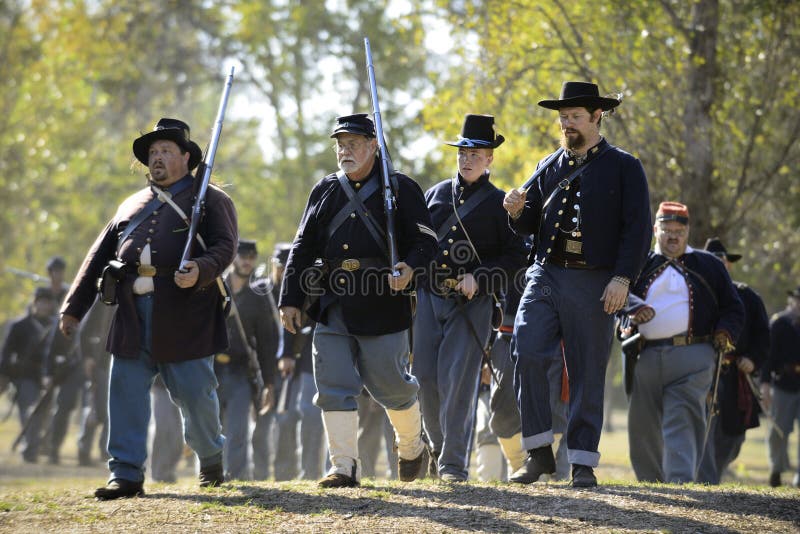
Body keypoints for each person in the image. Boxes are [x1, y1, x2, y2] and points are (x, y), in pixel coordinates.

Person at [59, 117, 237, 499]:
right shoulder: (131, 204)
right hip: (130, 313)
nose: (157, 158)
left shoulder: (211, 199)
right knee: (124, 393)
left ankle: (210, 458)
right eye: (153, 152)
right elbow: (97, 258)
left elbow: (225, 246)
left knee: (196, 396)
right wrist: (73, 308)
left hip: (186, 315)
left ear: (186, 157)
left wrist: (201, 269)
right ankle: (125, 473)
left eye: (166, 151)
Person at [503, 81, 652, 487]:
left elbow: (638, 229)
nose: (566, 124)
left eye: (574, 117)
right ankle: (538, 452)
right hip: (546, 273)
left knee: (587, 371)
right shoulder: (548, 164)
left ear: (596, 116)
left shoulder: (625, 167)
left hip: (596, 279)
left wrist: (622, 278)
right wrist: (516, 212)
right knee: (527, 347)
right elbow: (530, 225)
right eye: (563, 117)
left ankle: (583, 462)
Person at [279, 113, 437, 488]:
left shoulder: (400, 187)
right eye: (340, 145)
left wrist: (411, 268)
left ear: (373, 146)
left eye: (353, 144)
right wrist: (290, 298)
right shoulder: (325, 189)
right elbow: (302, 247)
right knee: (332, 382)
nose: (344, 151)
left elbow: (427, 242)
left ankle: (412, 446)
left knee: (392, 385)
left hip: (384, 301)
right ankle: (344, 467)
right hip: (333, 301)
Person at [413, 114, 527, 482]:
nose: (467, 159)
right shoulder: (434, 195)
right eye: (463, 152)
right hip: (429, 296)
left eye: (476, 153)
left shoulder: (498, 204)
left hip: (472, 305)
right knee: (424, 378)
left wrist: (479, 277)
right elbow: (417, 244)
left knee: (458, 383)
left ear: (489, 158)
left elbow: (516, 257)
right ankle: (437, 448)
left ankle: (453, 464)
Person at [623, 202, 744, 483]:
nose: (673, 237)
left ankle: (680, 482)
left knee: (683, 417)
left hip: (694, 356)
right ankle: (652, 484)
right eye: (667, 230)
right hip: (645, 355)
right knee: (642, 424)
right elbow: (617, 296)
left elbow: (733, 307)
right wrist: (632, 312)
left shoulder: (709, 265)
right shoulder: (638, 263)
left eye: (679, 231)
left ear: (688, 232)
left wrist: (724, 332)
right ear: (656, 229)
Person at [697, 238, 770, 484]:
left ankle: (713, 477)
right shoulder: (696, 293)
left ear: (728, 264)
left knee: (734, 437)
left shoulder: (748, 296)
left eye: (722, 260)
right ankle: (706, 482)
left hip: (735, 377)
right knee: (703, 427)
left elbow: (763, 336)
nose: (719, 264)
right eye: (712, 261)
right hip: (703, 371)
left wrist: (753, 360)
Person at [216, 239, 279, 480]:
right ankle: (211, 475)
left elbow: (266, 343)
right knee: (209, 430)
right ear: (233, 257)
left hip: (240, 372)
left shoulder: (258, 297)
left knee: (238, 431)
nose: (247, 261)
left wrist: (269, 383)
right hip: (211, 369)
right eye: (243, 256)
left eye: (252, 257)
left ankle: (236, 478)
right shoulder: (214, 288)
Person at [270, 242, 325, 480]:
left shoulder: (312, 279)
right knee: (295, 415)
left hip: (321, 354)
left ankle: (314, 470)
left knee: (312, 415)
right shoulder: (291, 286)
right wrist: (286, 354)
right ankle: (298, 472)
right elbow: (289, 321)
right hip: (300, 360)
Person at [0, 287, 56, 463]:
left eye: (47, 302)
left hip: (48, 376)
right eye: (41, 302)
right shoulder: (19, 326)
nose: (44, 306)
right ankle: (30, 450)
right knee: (30, 412)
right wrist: (3, 375)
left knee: (45, 415)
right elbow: (6, 352)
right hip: (25, 376)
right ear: (35, 303)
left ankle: (38, 446)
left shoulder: (56, 326)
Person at [762, 286, 800, 487]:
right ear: (792, 300)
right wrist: (765, 384)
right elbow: (768, 356)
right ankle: (776, 469)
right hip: (783, 383)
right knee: (778, 431)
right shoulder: (779, 323)